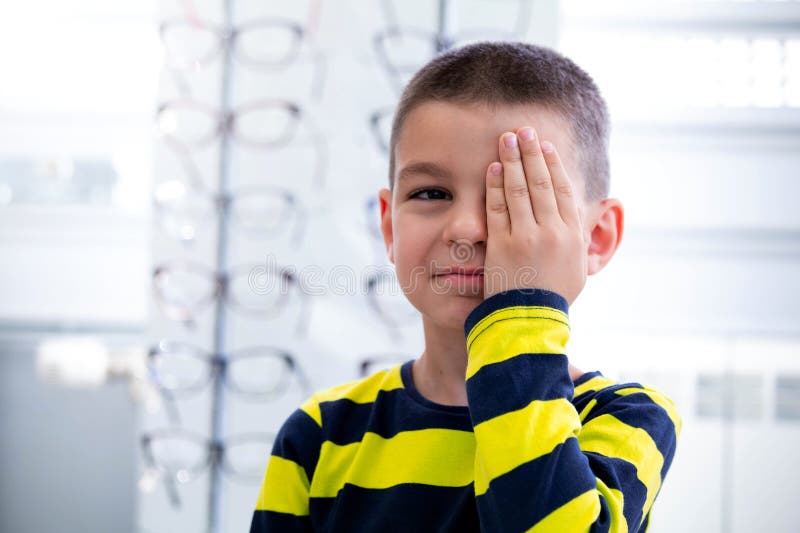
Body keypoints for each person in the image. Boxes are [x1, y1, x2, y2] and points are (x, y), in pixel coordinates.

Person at [249, 41, 681, 532]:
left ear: (596, 238)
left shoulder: (626, 419)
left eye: (519, 199)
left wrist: (523, 311)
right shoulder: (320, 436)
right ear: (390, 227)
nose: (467, 228)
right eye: (431, 193)